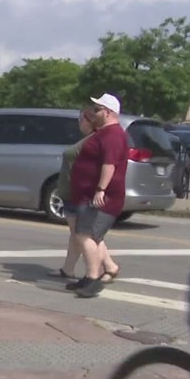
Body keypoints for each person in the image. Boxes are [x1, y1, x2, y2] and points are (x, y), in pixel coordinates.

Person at [67, 93, 127, 298]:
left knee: (86, 236)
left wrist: (100, 190)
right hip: (87, 195)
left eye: (97, 109)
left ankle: (93, 277)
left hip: (103, 197)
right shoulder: (104, 133)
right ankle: (90, 276)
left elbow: (109, 165)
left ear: (108, 112)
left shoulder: (113, 135)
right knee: (90, 236)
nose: (94, 113)